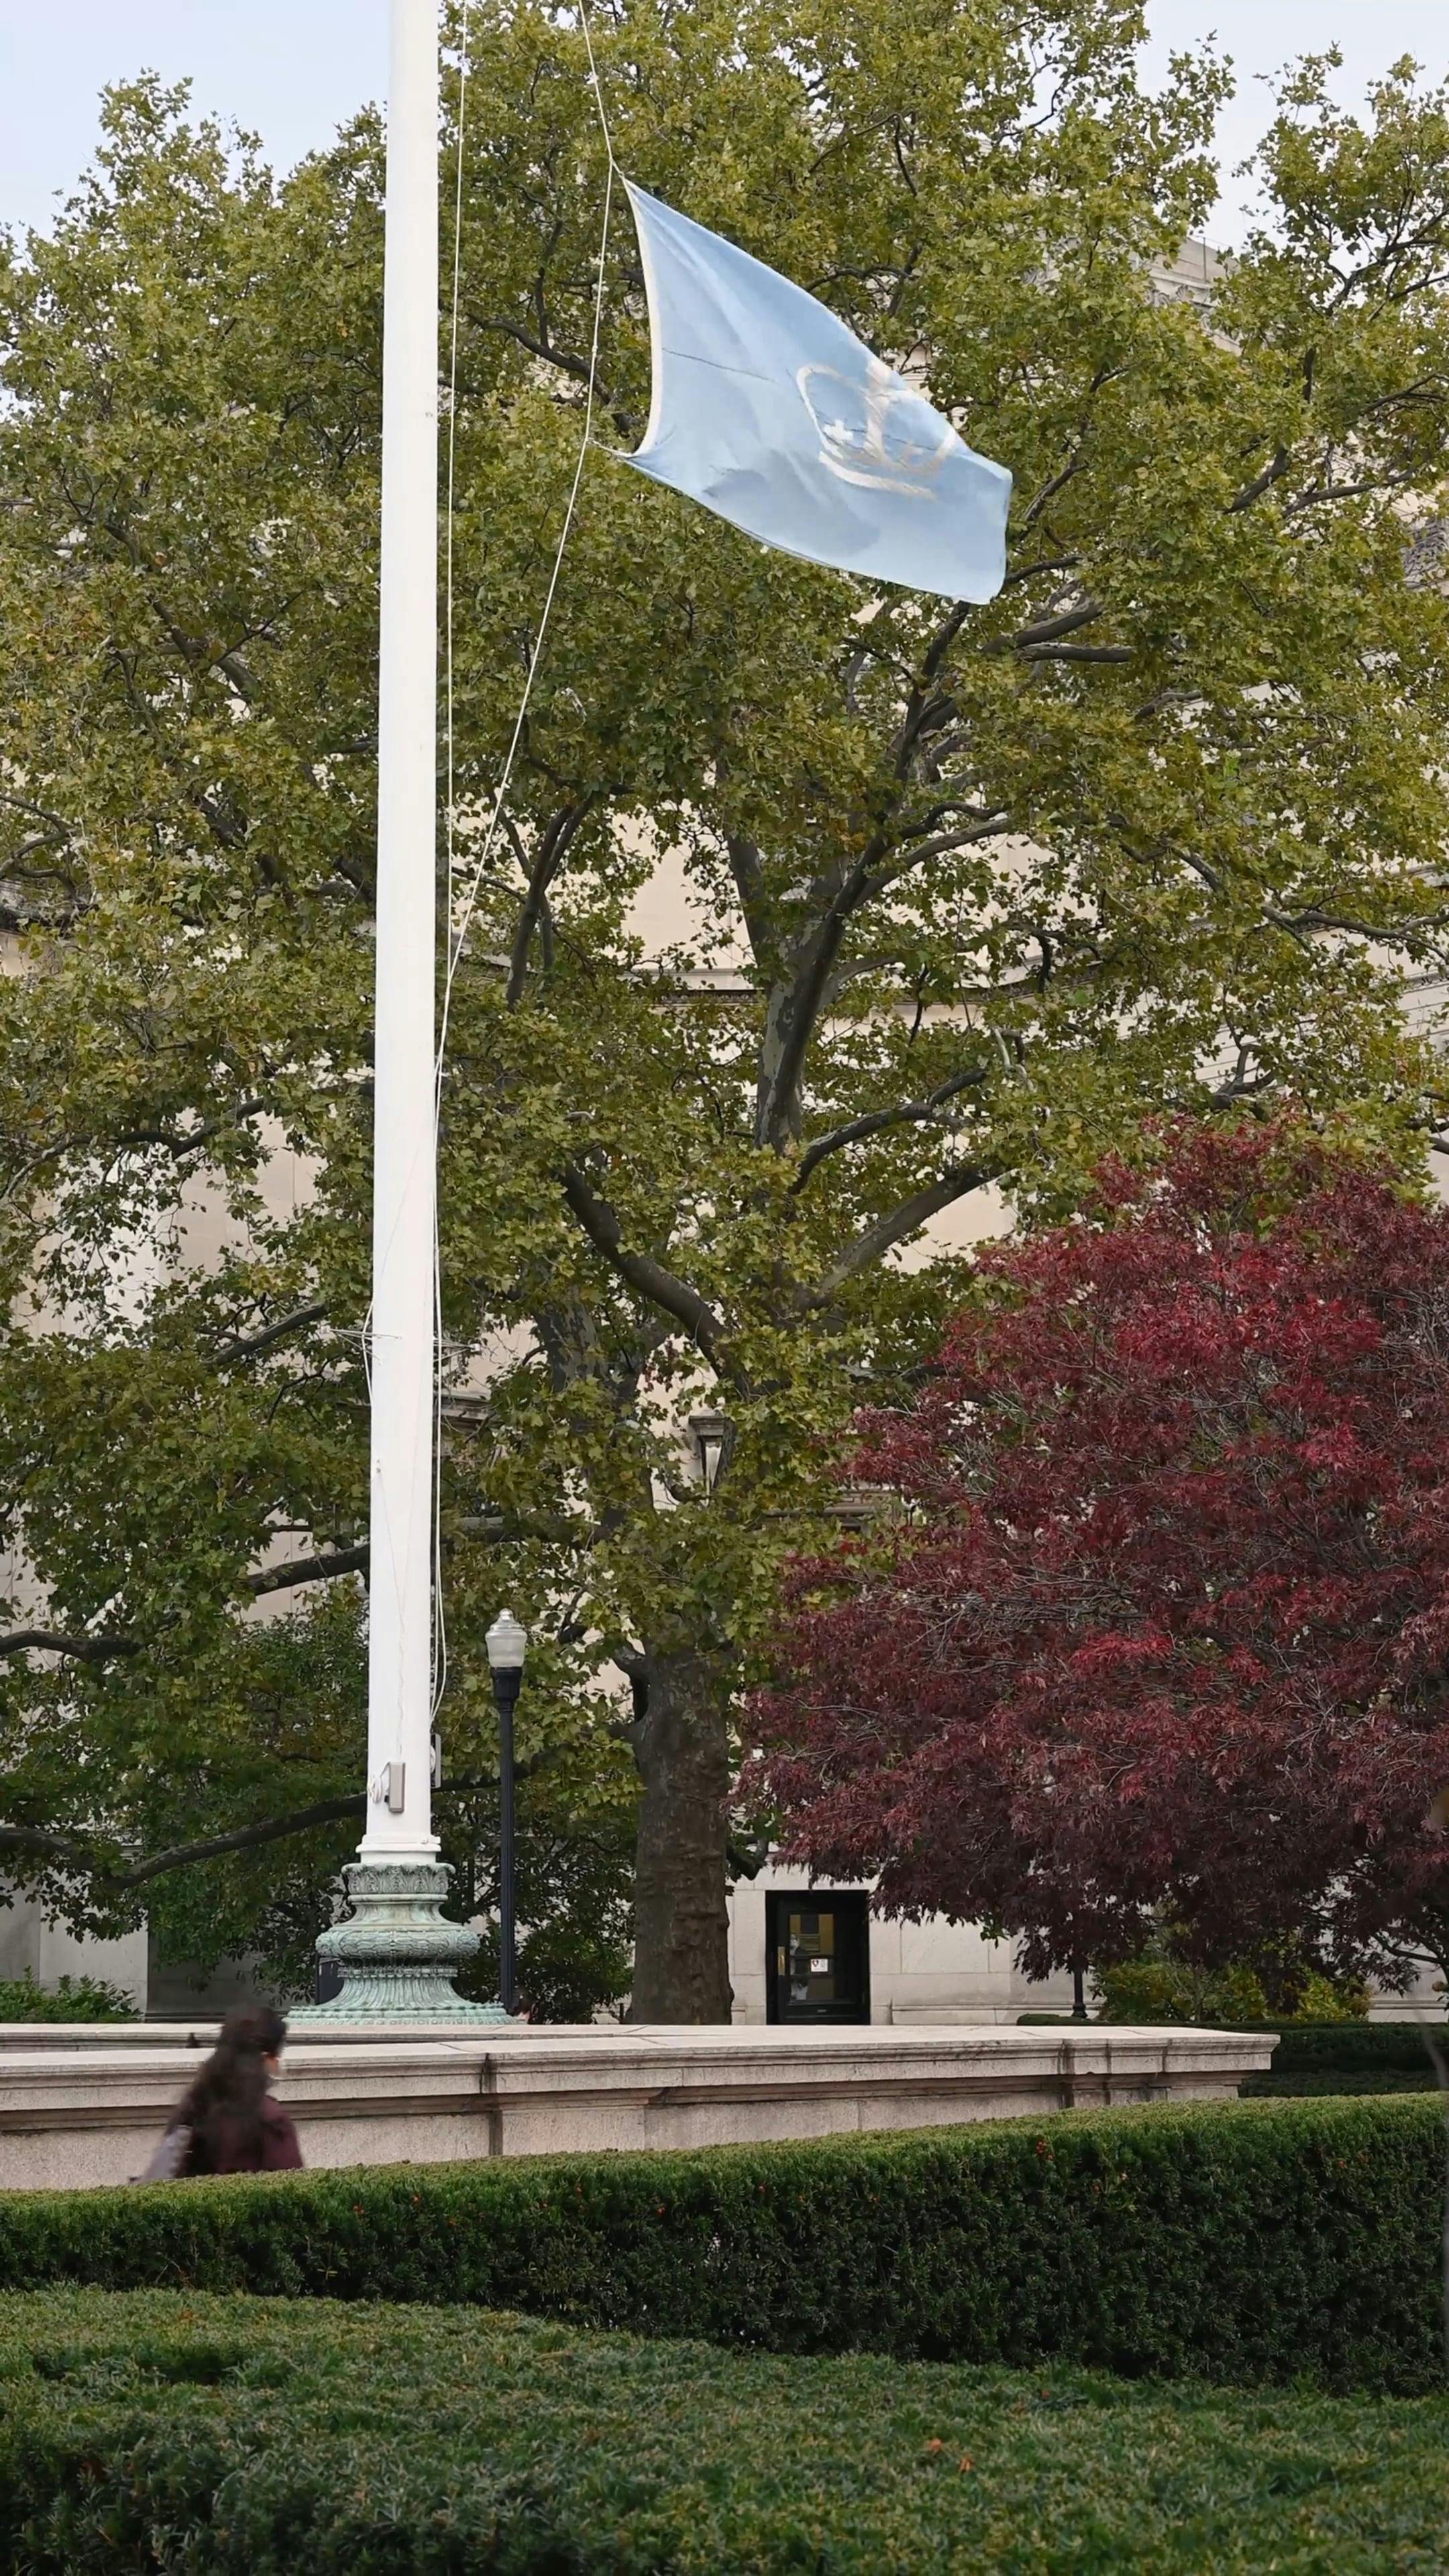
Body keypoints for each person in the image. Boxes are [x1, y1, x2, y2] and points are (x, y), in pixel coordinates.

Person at [139, 2003, 303, 2180]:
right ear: (265, 2057)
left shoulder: (195, 2103)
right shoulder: (270, 2118)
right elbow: (294, 2189)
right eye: (276, 2054)